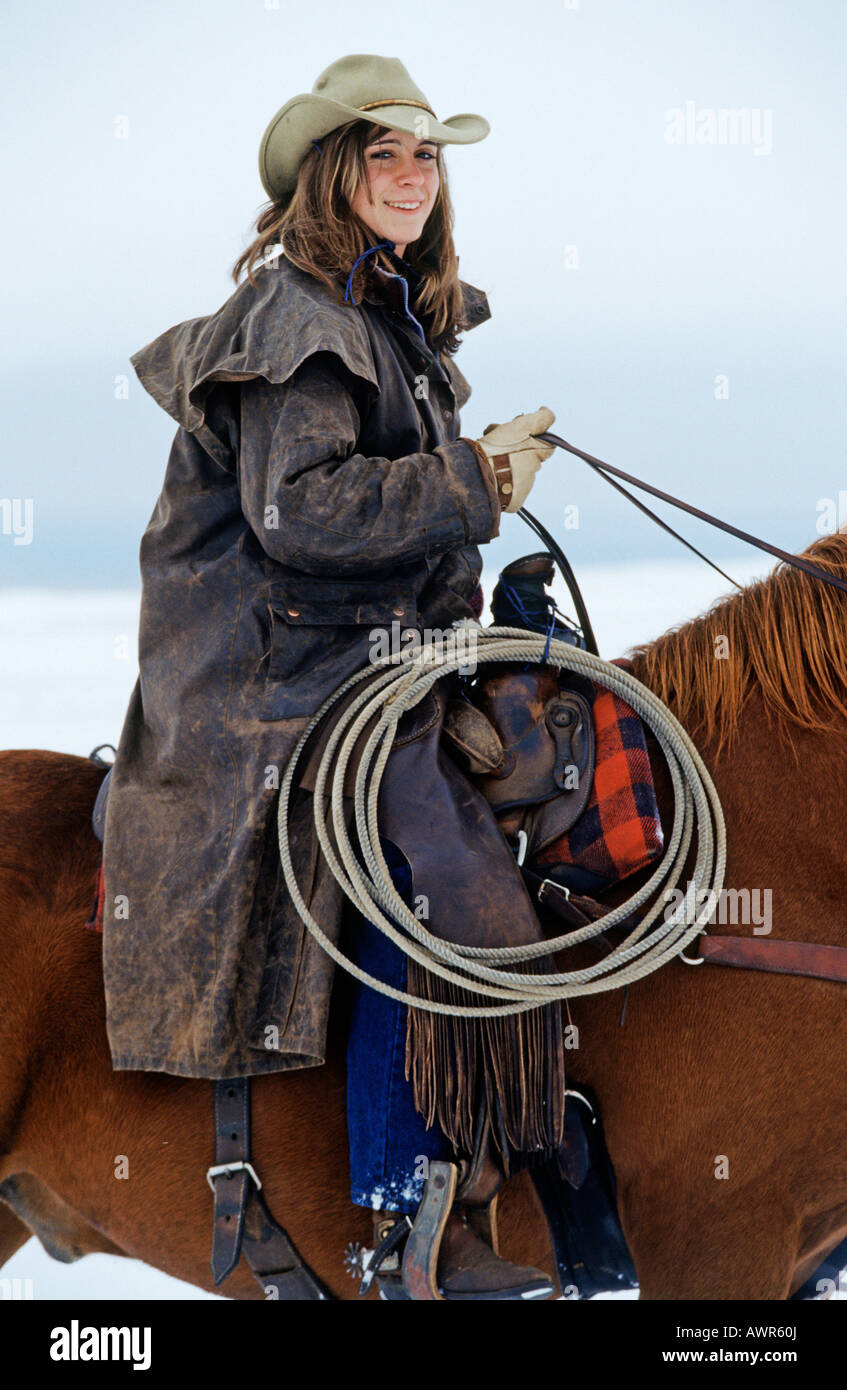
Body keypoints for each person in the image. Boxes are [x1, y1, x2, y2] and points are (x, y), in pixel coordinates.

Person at [102, 53, 558, 1299]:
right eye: (385, 153)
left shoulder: (386, 318)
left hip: (356, 658)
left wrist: (480, 604)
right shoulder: (299, 321)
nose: (412, 175)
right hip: (269, 686)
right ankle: (405, 1219)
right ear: (333, 173)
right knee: (424, 868)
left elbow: (396, 541)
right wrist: (478, 481)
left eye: (428, 155)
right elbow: (301, 513)